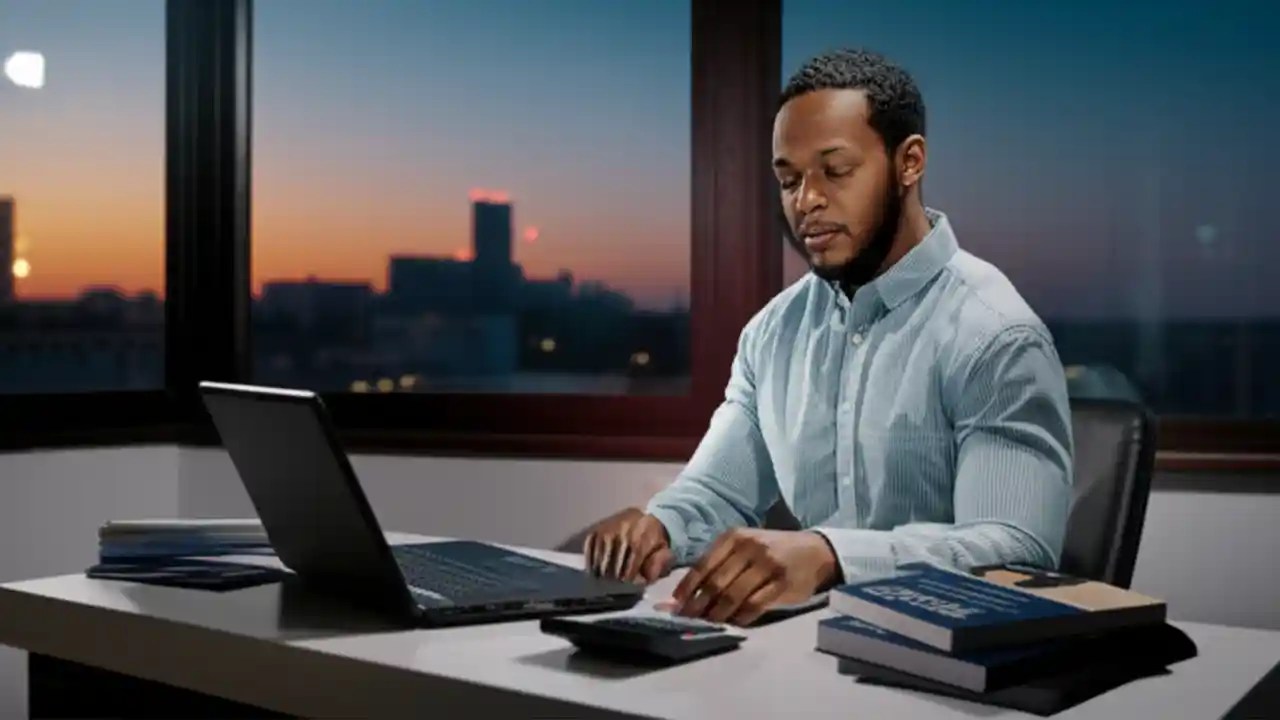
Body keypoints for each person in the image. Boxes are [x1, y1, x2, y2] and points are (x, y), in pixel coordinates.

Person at [583, 48, 1073, 627]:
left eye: (835, 172)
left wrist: (832, 555)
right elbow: (718, 490)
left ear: (909, 162)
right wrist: (659, 527)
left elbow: (1014, 548)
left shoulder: (995, 333)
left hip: (949, 676)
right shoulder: (773, 334)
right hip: (805, 653)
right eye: (788, 180)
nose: (806, 200)